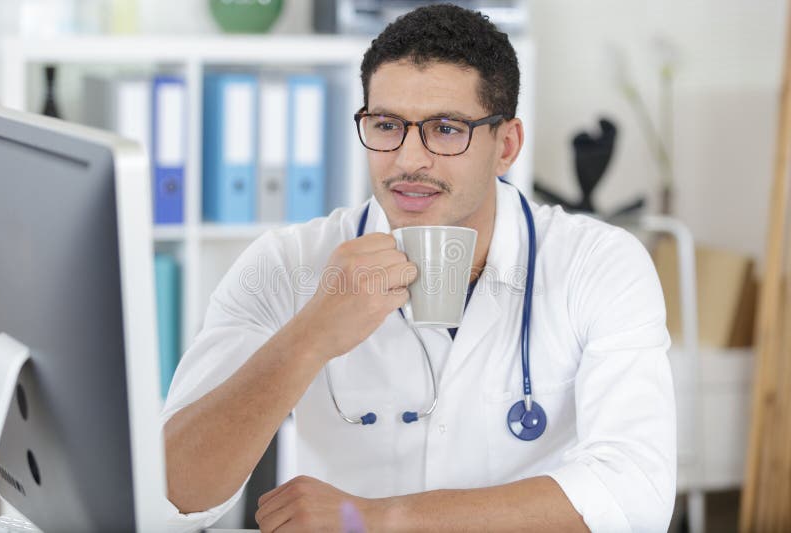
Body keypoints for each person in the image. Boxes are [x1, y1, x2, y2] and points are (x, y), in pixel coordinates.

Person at [162, 4, 676, 532]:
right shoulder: (286, 264)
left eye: (446, 129)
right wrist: (309, 336)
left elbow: (635, 495)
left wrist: (383, 519)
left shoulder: (599, 264)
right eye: (386, 125)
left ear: (507, 145)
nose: (409, 159)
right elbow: (176, 496)